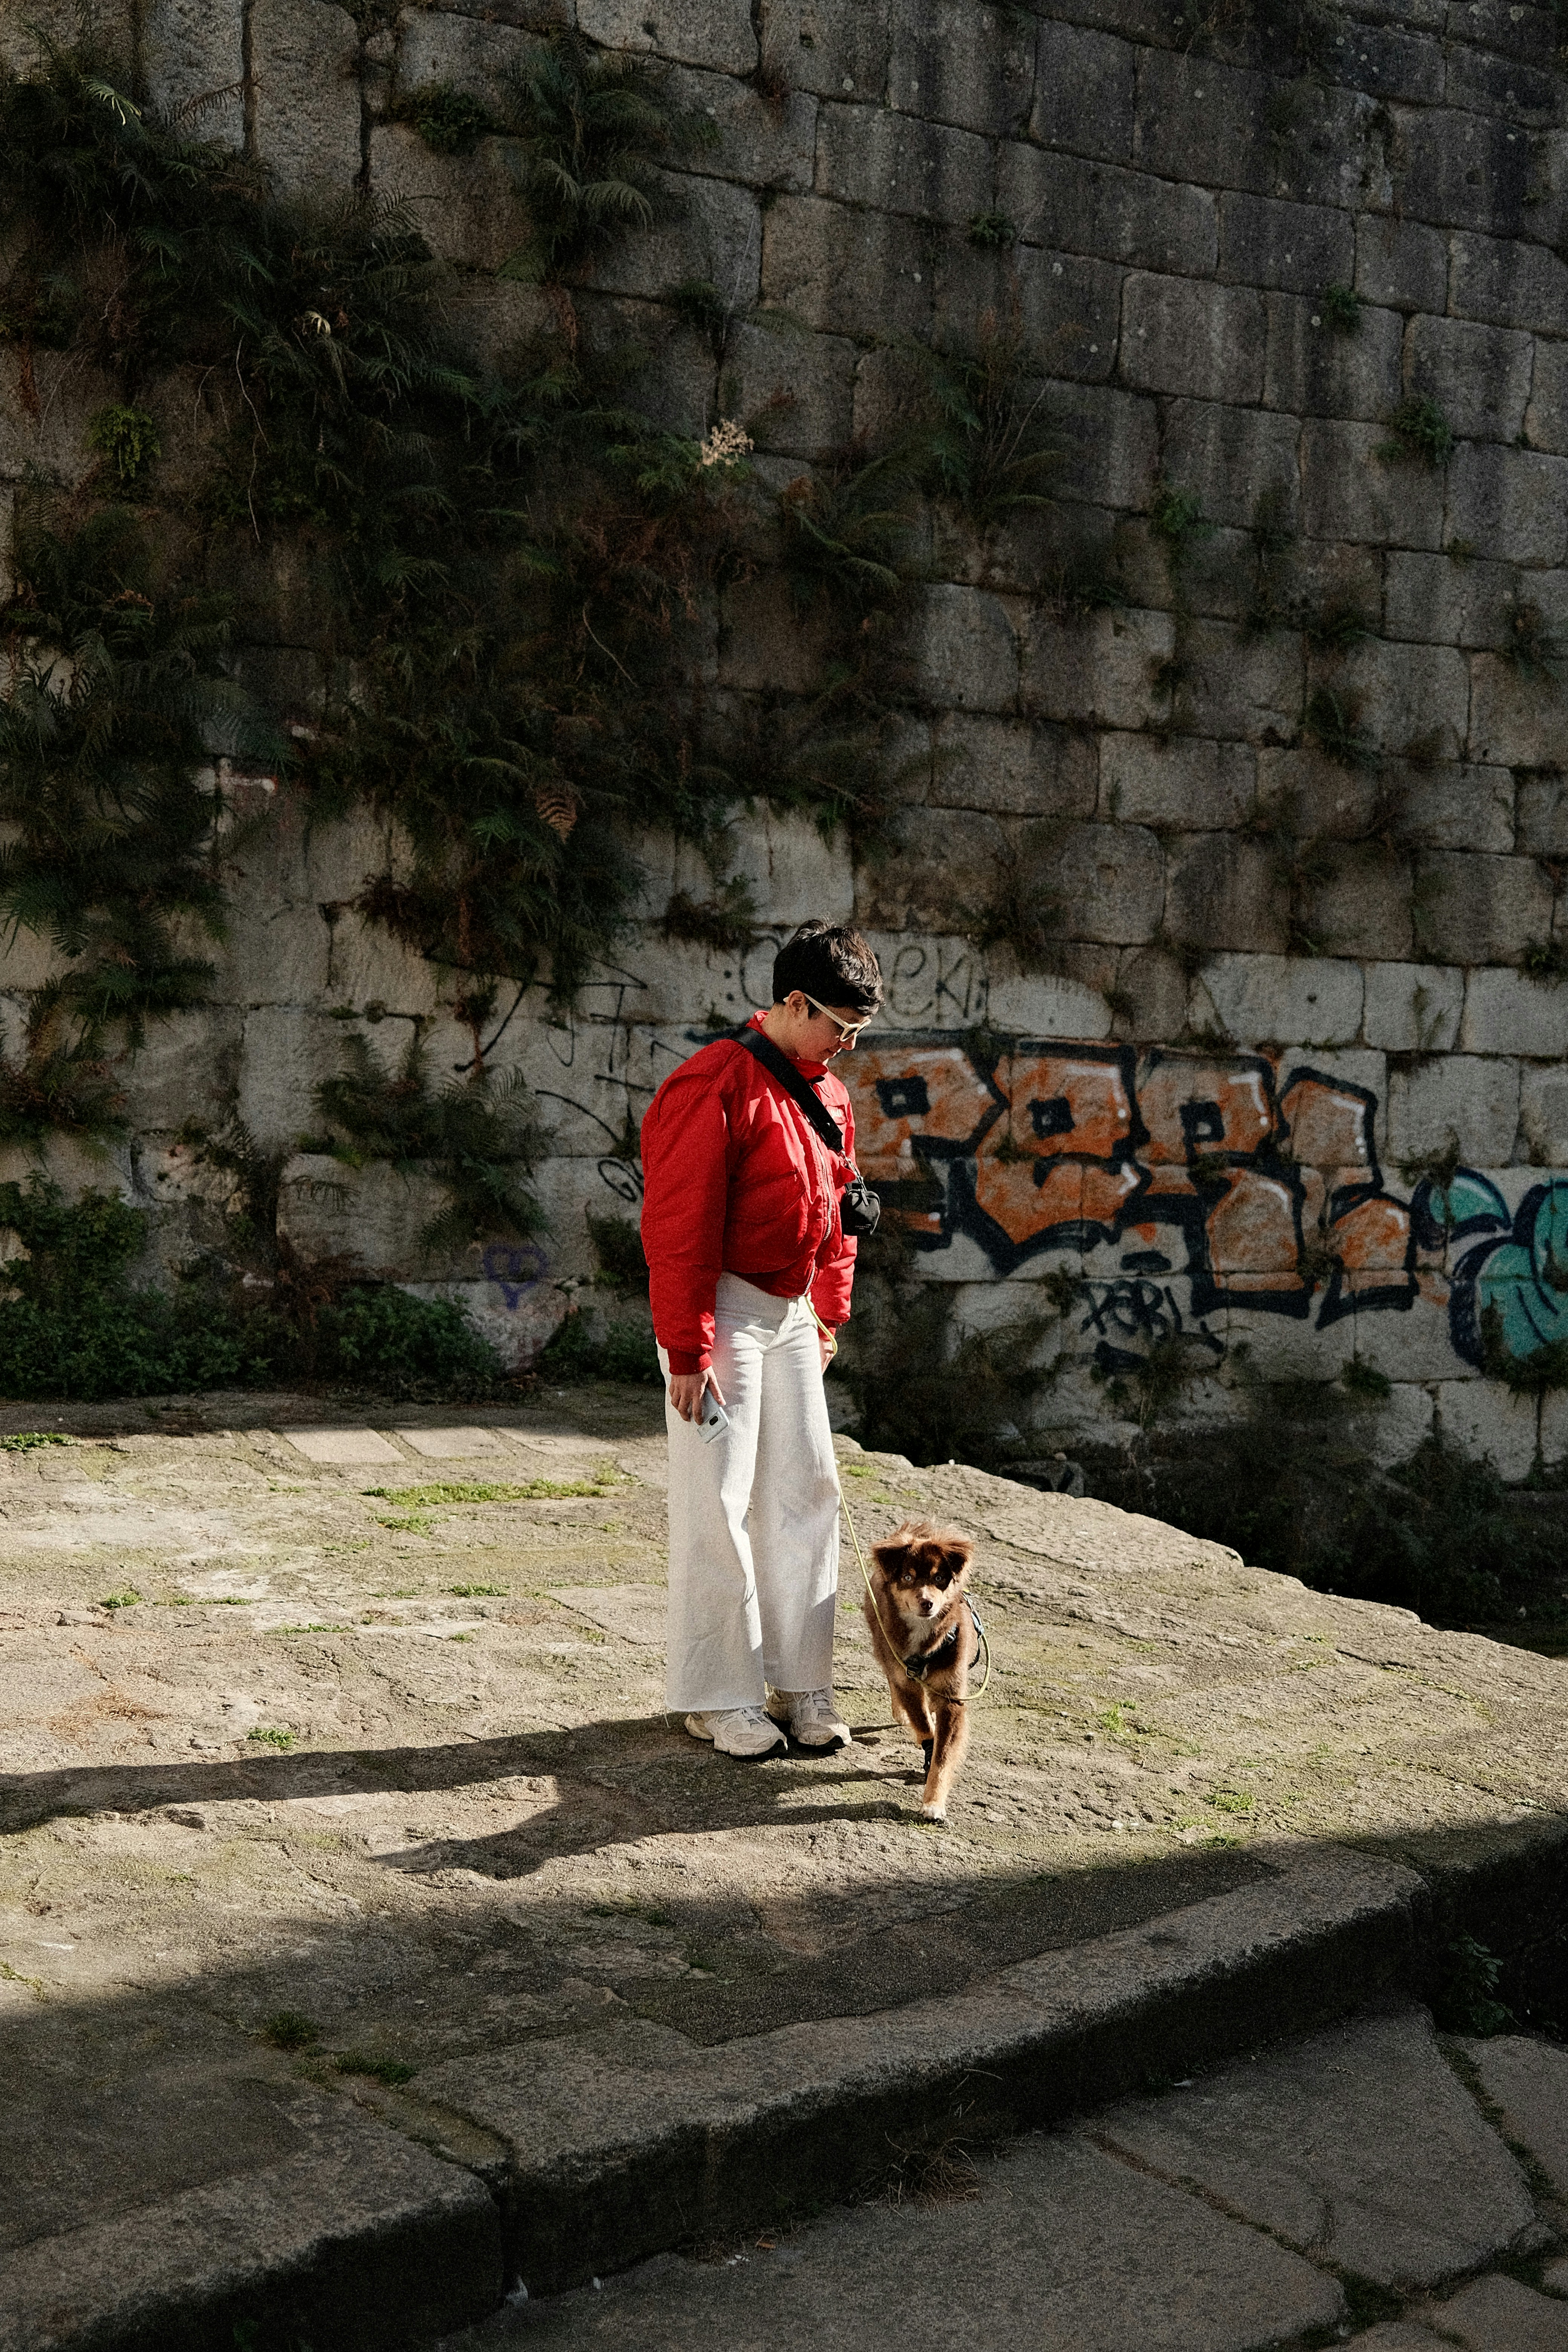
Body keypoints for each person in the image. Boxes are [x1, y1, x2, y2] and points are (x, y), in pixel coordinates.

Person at [639, 920, 883, 1758]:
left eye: (859, 1032)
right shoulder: (710, 1084)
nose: (848, 1046)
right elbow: (679, 1229)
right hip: (725, 1310)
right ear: (791, 1003)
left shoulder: (829, 1095)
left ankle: (799, 1682)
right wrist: (687, 1349)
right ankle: (715, 1694)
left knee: (808, 1490)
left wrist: (828, 1311)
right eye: (840, 1027)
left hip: (789, 1314)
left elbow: (839, 1220)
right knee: (718, 1500)